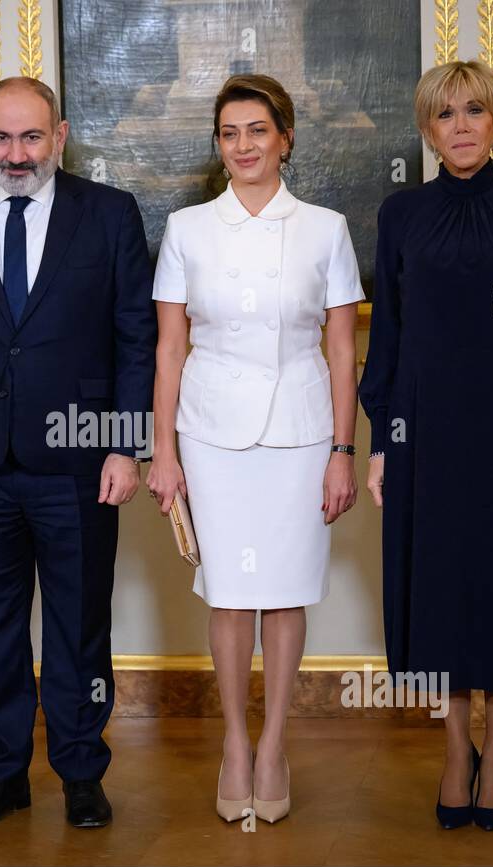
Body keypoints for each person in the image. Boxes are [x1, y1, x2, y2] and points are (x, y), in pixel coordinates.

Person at [0, 77, 156, 829]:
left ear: (58, 136)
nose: (15, 155)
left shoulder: (109, 213)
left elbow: (135, 338)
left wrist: (127, 445)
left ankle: (81, 774)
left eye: (30, 138)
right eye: (1, 138)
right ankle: (2, 776)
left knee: (79, 626)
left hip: (81, 462)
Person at [358, 60, 493, 831]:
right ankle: (455, 748)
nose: (460, 126)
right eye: (445, 114)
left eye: (475, 110)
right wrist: (382, 440)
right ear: (427, 127)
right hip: (423, 429)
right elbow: (389, 335)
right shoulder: (401, 214)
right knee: (440, 592)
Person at [147, 74, 363, 824]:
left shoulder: (326, 228)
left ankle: (276, 743)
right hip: (210, 433)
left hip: (302, 433)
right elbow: (170, 350)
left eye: (258, 131)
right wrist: (163, 451)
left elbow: (342, 348)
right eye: (231, 133)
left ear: (286, 137)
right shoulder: (186, 230)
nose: (244, 145)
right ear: (219, 145)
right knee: (230, 594)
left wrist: (343, 448)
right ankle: (235, 744)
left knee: (286, 587)